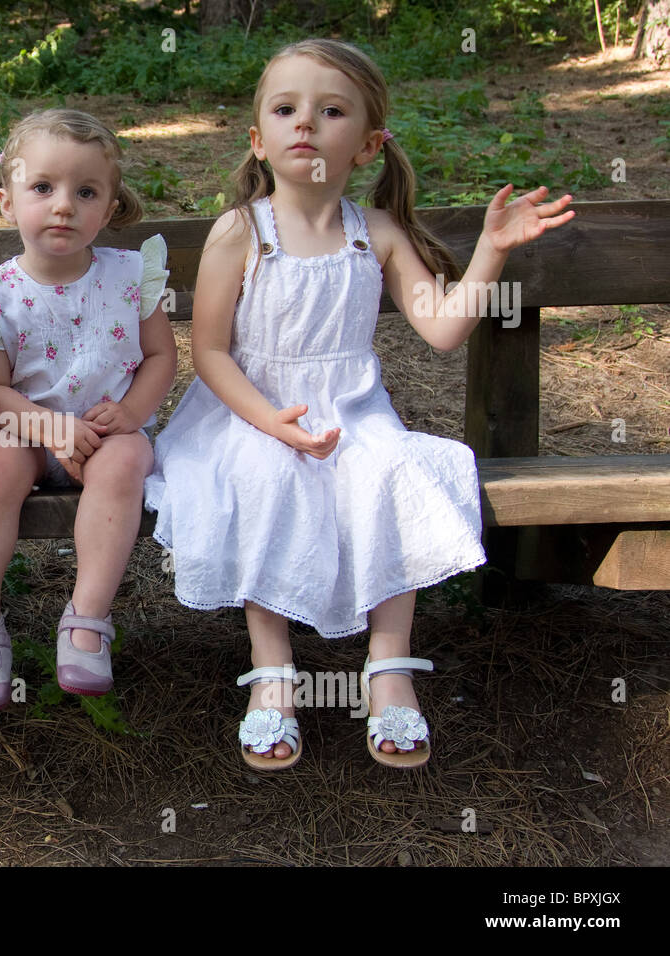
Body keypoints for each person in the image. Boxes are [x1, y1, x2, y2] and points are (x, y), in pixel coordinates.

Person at [145, 38, 574, 770]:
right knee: (263, 478)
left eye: (330, 110)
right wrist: (267, 420)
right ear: (258, 138)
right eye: (285, 109)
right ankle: (273, 672)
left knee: (395, 473)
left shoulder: (373, 233)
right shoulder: (241, 232)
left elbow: (441, 329)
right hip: (249, 409)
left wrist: (491, 253)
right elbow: (209, 351)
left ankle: (390, 668)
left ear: (369, 145)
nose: (304, 123)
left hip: (350, 412)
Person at [0, 109, 177, 712]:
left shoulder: (132, 277)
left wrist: (131, 413)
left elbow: (160, 358)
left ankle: (86, 617)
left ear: (107, 208)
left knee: (127, 460)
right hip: (28, 432)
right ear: (6, 201)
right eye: (42, 188)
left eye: (85, 192)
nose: (63, 206)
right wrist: (47, 425)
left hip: (106, 433)